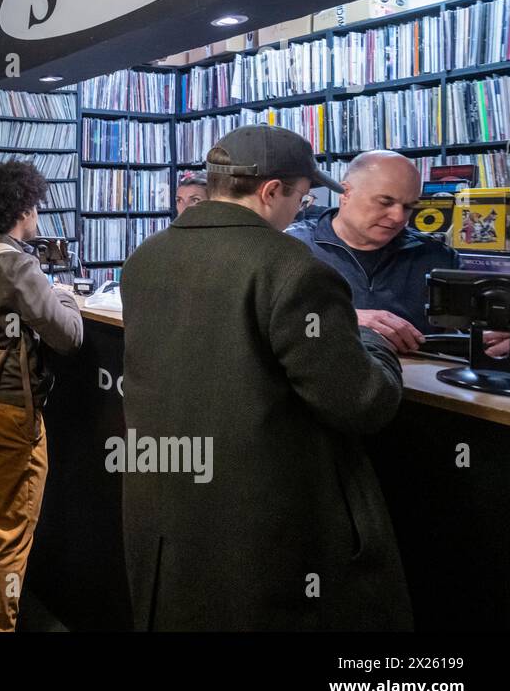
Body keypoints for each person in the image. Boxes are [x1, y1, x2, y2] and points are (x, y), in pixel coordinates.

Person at [121, 125, 410, 630]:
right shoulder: (292, 266)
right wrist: (375, 343)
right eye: (300, 196)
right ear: (271, 191)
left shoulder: (148, 255)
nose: (301, 209)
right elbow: (359, 402)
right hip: (263, 526)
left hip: (165, 502)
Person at [0, 161, 85, 631]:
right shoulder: (15, 262)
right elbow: (67, 335)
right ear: (23, 209)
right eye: (36, 207)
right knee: (11, 528)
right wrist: (62, 295)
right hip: (10, 407)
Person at [287, 150, 509, 358]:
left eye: (409, 206)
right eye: (386, 202)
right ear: (346, 193)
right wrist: (346, 318)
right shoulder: (292, 248)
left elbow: (479, 330)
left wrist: (500, 336)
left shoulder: (436, 257)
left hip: (420, 393)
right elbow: (265, 325)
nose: (398, 217)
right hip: (319, 386)